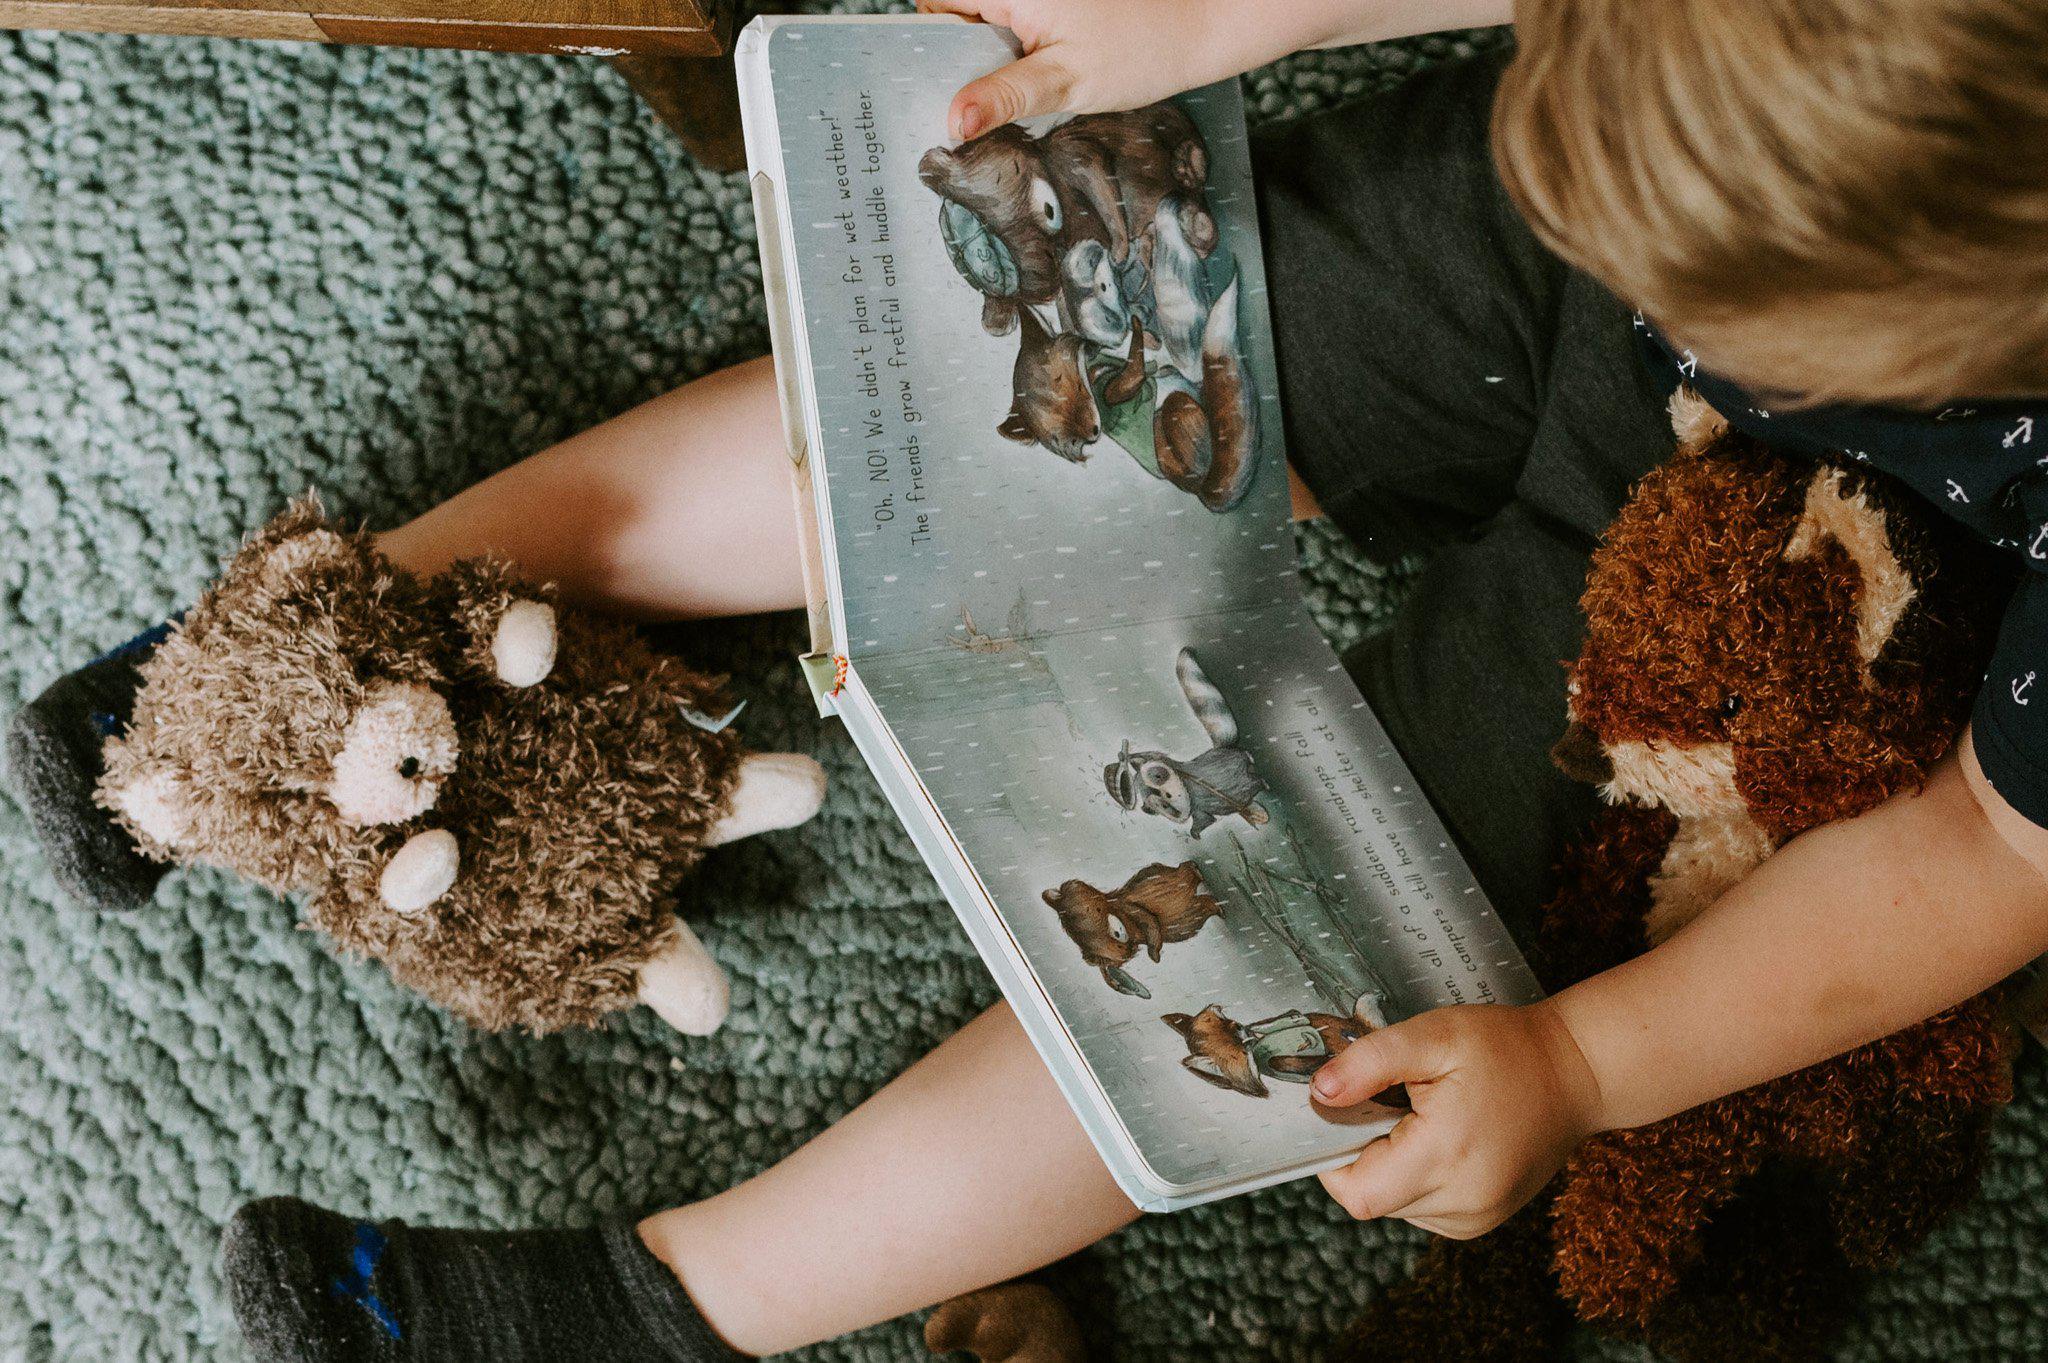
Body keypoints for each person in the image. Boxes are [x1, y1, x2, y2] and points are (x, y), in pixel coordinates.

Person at [12, 1, 2048, 1358]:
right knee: (1061, 385)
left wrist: (1586, 1069)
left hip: (1846, 536)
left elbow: (1982, 851)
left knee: (1331, 940)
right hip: (1646, 207)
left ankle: (662, 1307)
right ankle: (283, 674)